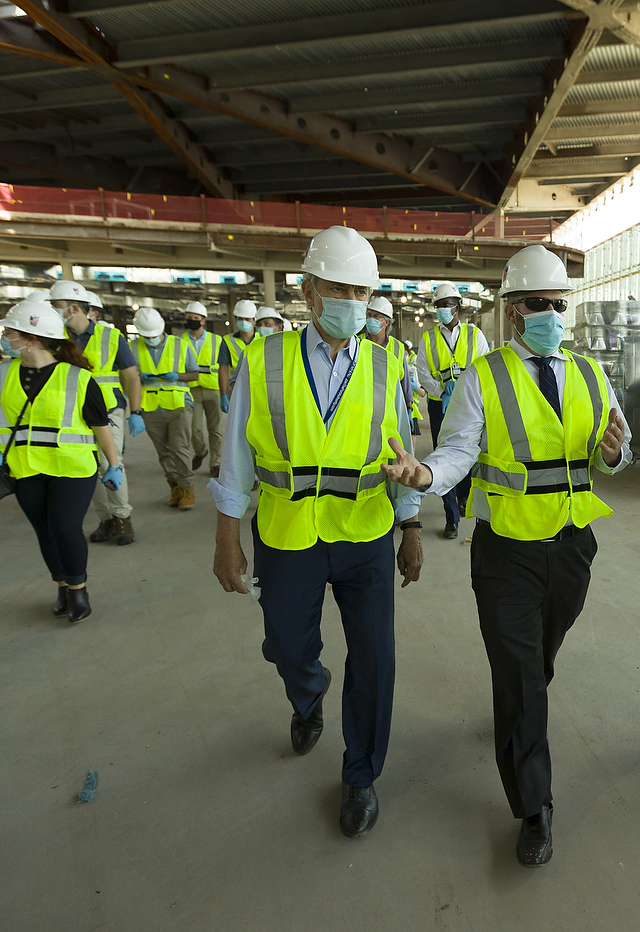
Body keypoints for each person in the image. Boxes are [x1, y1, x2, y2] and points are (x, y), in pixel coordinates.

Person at [384, 245, 631, 867]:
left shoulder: (590, 374)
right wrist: (425, 476)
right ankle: (533, 805)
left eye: (559, 304)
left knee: (540, 658)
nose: (551, 314)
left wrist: (612, 454)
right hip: (506, 551)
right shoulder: (483, 376)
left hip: (572, 544)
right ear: (514, 310)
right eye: (538, 304)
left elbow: (614, 449)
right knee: (520, 673)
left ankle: (522, 704)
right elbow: (458, 450)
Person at [210, 225, 424, 840]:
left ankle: (361, 774)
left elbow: (400, 456)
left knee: (375, 659)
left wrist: (410, 526)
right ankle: (308, 694)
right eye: (339, 288)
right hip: (287, 532)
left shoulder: (387, 365)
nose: (351, 302)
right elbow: (236, 456)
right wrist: (227, 536)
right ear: (308, 291)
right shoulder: (264, 360)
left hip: (365, 533)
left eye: (362, 292)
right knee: (286, 645)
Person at [0, 297, 123, 623]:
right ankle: (62, 587)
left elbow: (100, 425)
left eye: (9, 333)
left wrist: (114, 464)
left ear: (31, 338)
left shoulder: (77, 377)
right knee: (44, 530)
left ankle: (78, 591)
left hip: (72, 467)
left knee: (65, 527)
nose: (4, 338)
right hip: (25, 467)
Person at [50, 279, 144, 547]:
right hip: (71, 412)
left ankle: (123, 517)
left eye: (57, 305)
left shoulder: (111, 337)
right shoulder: (55, 338)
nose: (54, 310)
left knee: (110, 463)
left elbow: (131, 376)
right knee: (89, 466)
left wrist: (136, 411)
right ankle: (106, 519)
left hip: (108, 409)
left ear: (74, 308)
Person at [416, 282, 489, 539]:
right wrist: (441, 392)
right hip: (440, 404)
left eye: (446, 304)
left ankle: (463, 494)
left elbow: (485, 367)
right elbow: (423, 373)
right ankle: (451, 518)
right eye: (438, 305)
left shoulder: (474, 335)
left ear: (457, 307)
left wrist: (464, 393)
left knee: (470, 450)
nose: (442, 309)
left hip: (470, 404)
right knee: (444, 454)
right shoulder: (428, 338)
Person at [132, 307, 199, 510]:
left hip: (179, 405)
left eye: (154, 335)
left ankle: (187, 488)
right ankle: (174, 486)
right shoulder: (132, 347)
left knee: (180, 448)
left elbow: (194, 374)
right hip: (150, 406)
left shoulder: (180, 345)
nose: (151, 339)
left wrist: (177, 376)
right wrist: (138, 377)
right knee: (163, 452)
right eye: (147, 336)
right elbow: (126, 376)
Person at [363, 296, 418, 433]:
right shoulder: (357, 343)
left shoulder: (397, 348)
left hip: (389, 410)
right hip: (362, 409)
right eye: (369, 315)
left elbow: (405, 383)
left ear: (386, 322)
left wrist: (409, 407)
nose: (371, 319)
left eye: (376, 316)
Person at [183, 301, 225, 478]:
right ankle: (201, 451)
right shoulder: (180, 341)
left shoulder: (217, 340)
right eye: (189, 317)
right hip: (191, 389)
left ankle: (216, 462)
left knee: (215, 429)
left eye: (196, 318)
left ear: (203, 321)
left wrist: (224, 392)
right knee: (194, 430)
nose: (192, 320)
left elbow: (223, 367)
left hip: (212, 388)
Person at [217, 298, 258, 399]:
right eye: (240, 319)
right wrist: (223, 394)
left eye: (247, 319)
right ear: (235, 319)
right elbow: (223, 369)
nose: (243, 322)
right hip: (237, 388)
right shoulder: (227, 341)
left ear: (253, 320)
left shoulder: (262, 338)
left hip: (259, 387)